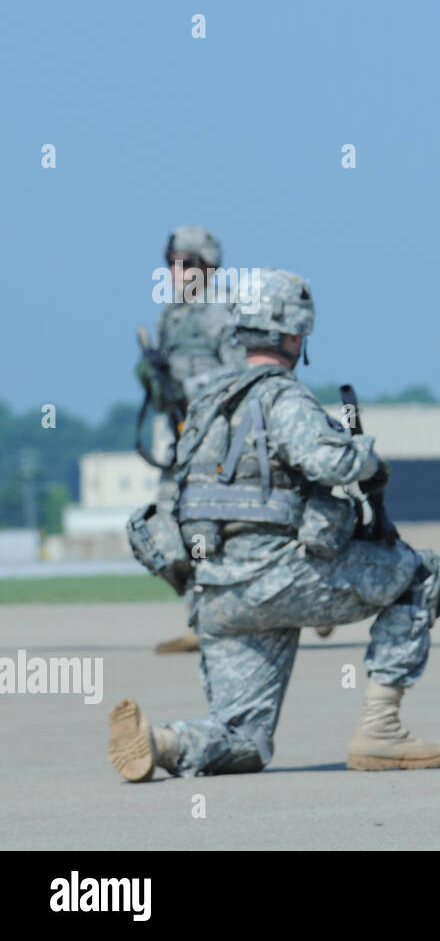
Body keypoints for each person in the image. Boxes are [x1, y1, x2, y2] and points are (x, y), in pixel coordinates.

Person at [110, 269, 440, 780]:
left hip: (216, 596)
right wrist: (363, 452)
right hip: (283, 578)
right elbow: (330, 465)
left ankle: (161, 741)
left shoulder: (205, 407)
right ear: (294, 336)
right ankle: (380, 730)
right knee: (420, 573)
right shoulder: (282, 397)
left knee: (245, 742)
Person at [136, 226, 247, 654]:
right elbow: (168, 394)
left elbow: (242, 370)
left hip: (225, 441)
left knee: (230, 534)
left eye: (184, 263)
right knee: (161, 529)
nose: (174, 271)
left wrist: (188, 384)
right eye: (171, 263)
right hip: (185, 440)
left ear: (206, 266)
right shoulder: (171, 316)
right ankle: (203, 616)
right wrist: (157, 384)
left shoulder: (219, 310)